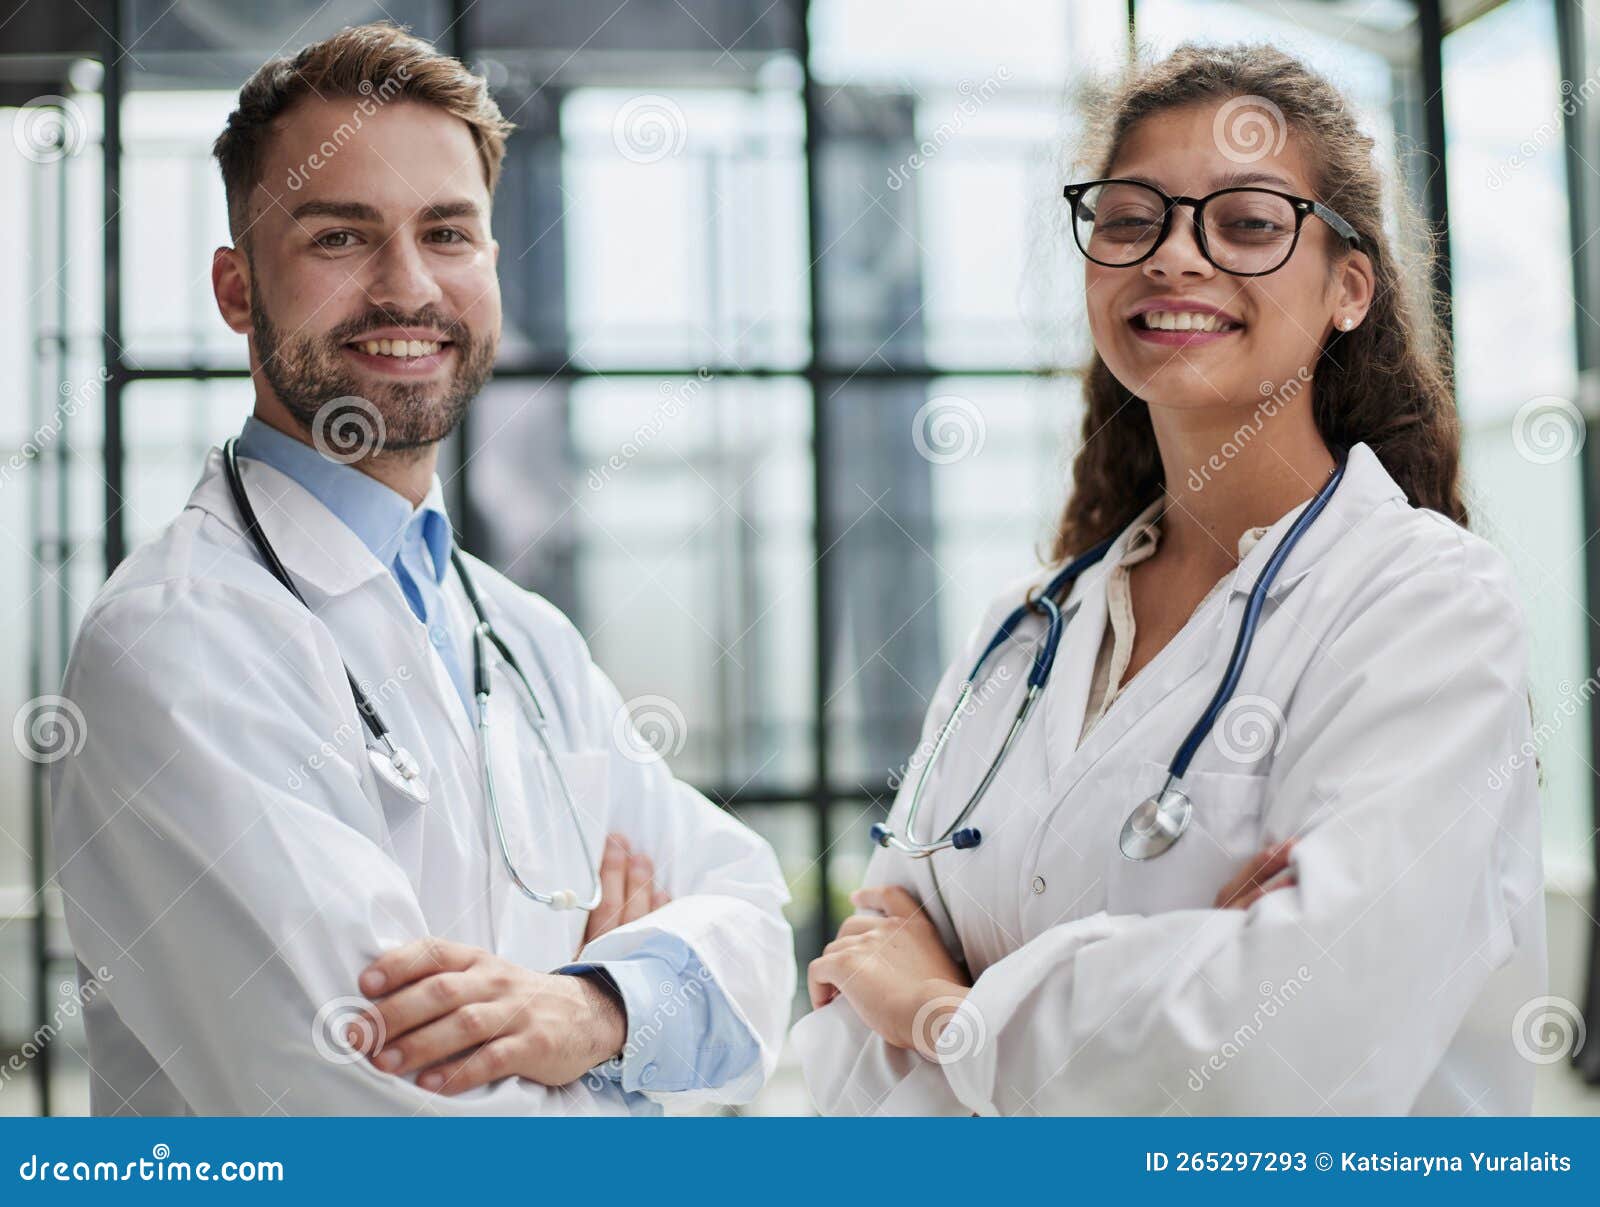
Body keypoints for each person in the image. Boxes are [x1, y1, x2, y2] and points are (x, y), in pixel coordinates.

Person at [50, 23, 794, 1116]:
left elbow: (755, 927)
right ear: (237, 289)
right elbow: (390, 1123)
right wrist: (642, 1041)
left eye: (448, 232)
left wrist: (585, 1009)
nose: (408, 290)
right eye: (340, 238)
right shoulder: (179, 644)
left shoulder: (520, 635)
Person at [790, 41, 1547, 1116]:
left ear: (1347, 289)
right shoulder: (1026, 630)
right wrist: (1153, 976)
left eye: (1244, 222)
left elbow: (1269, 1061)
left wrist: (941, 1013)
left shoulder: (1423, 605)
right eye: (1130, 218)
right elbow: (842, 1017)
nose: (1173, 257)